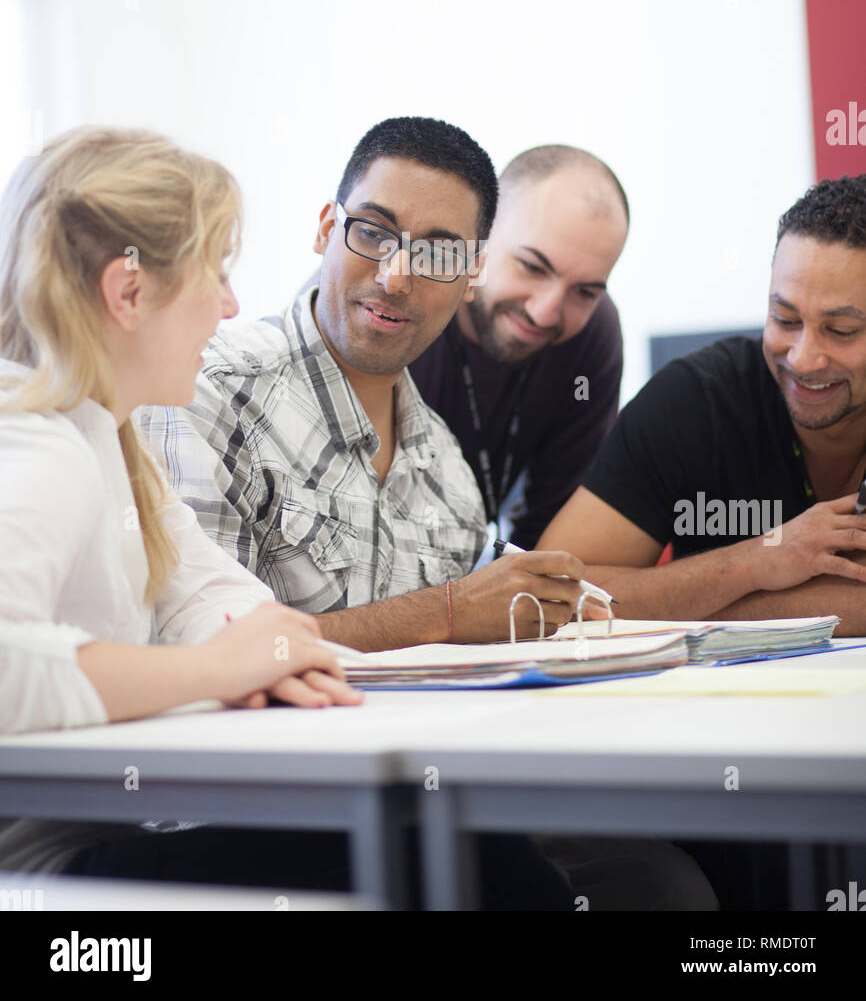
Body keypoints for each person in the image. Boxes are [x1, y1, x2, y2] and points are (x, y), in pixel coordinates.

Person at [0, 124, 577, 911]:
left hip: (118, 833)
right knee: (458, 865)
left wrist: (282, 651)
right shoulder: (44, 446)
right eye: (215, 272)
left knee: (473, 855)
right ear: (129, 294)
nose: (232, 303)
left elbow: (224, 608)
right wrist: (221, 669)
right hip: (51, 869)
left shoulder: (115, 441)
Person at [139, 117, 588, 650]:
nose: (395, 277)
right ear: (327, 229)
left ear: (472, 277)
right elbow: (194, 649)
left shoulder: (450, 476)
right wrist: (447, 613)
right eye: (373, 233)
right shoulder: (206, 394)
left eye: (438, 255)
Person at [537, 174, 866, 635]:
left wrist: (687, 610)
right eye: (784, 318)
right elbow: (549, 593)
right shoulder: (697, 399)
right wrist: (762, 556)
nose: (802, 357)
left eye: (842, 330)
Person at [409, 144, 628, 549]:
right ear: (480, 232)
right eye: (531, 266)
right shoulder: (397, 301)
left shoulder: (593, 334)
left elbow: (555, 538)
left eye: (584, 291)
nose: (545, 313)